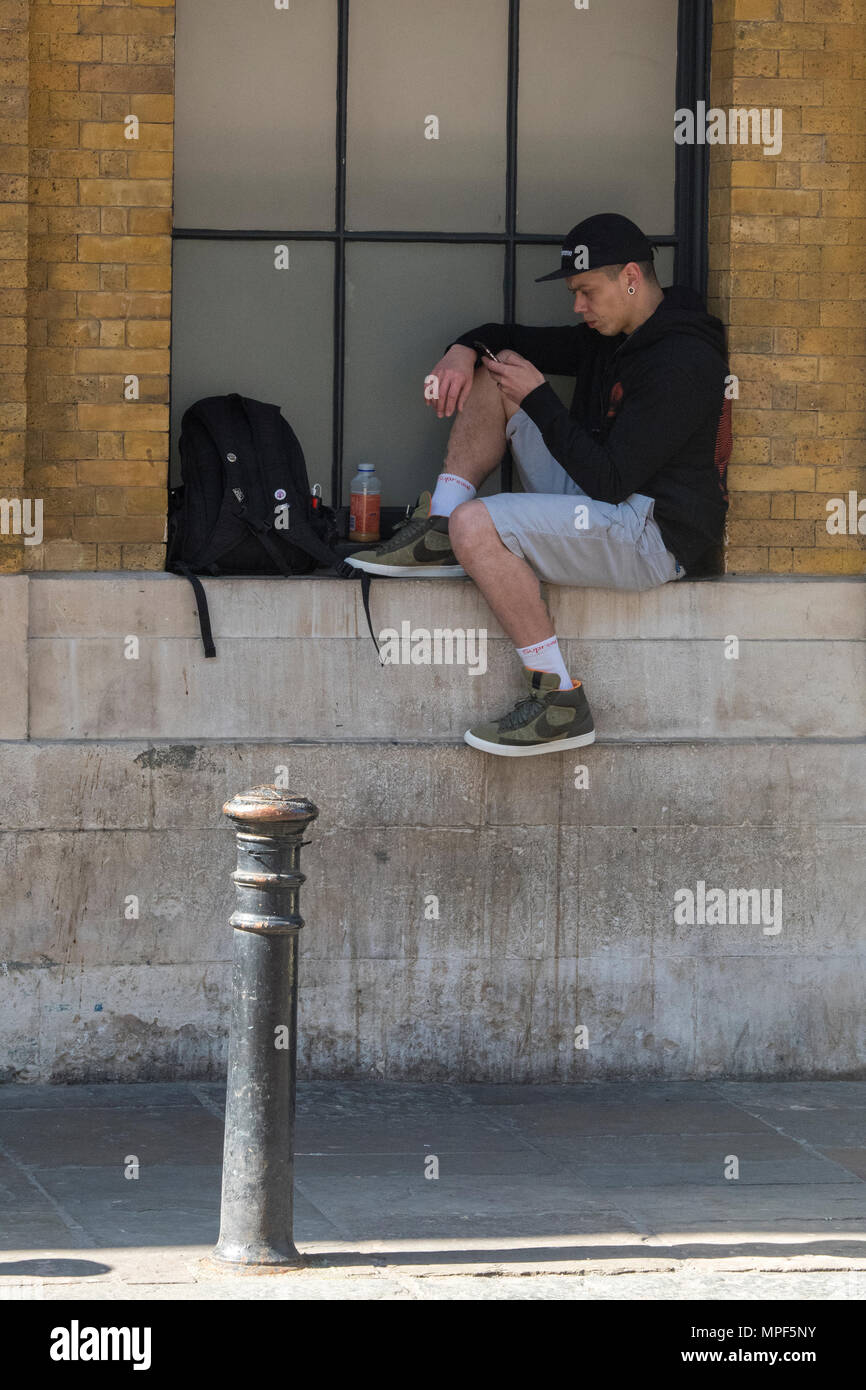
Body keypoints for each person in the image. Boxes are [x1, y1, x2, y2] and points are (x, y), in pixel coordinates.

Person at [347, 213, 731, 757]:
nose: (578, 307)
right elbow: (505, 341)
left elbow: (611, 479)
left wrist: (541, 399)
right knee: (499, 368)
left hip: (651, 532)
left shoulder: (683, 360)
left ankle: (558, 699)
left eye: (585, 292)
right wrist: (464, 349)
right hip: (603, 501)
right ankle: (438, 530)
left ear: (629, 277)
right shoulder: (615, 335)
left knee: (477, 525)